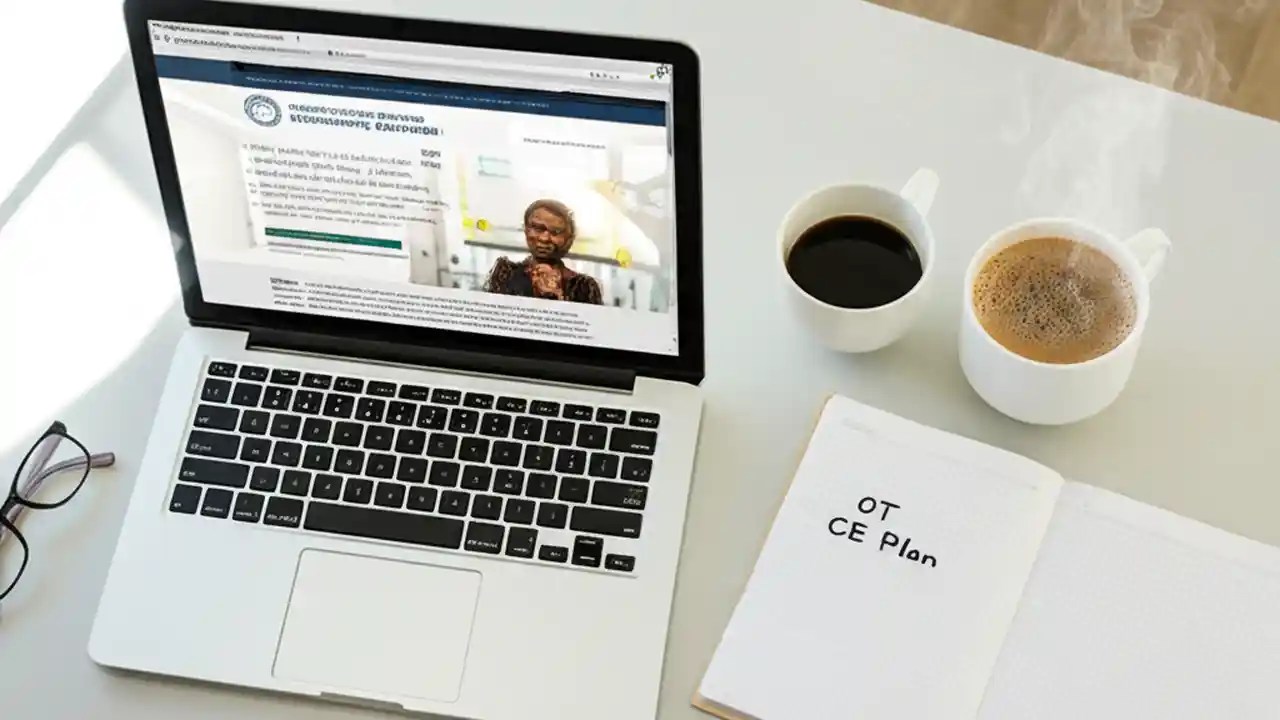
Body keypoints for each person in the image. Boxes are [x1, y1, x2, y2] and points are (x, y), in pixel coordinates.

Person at [483, 199, 604, 304]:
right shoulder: (506, 273)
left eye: (556, 232)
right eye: (537, 228)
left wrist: (556, 296)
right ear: (526, 229)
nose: (544, 238)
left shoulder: (585, 287)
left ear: (569, 238)